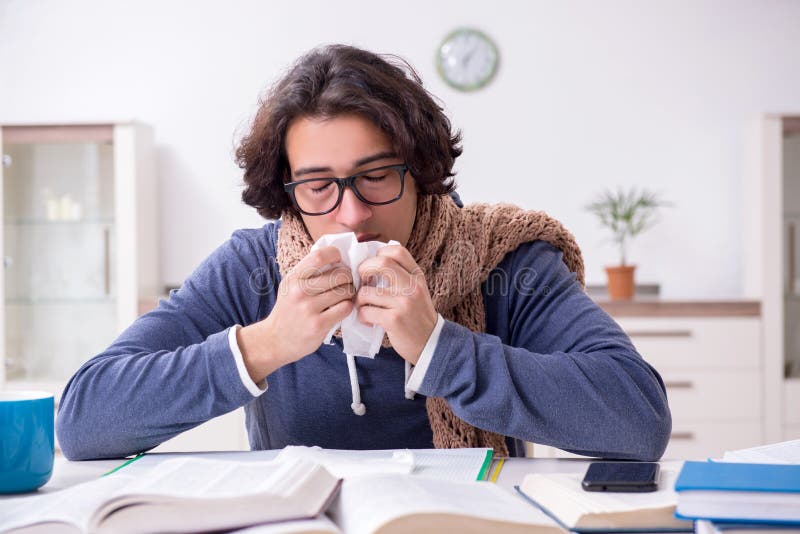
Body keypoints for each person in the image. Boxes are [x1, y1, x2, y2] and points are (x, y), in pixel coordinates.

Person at [56, 44, 671, 461]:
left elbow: (638, 419)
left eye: (376, 175)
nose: (352, 214)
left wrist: (439, 347)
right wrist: (267, 345)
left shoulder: (503, 259)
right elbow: (84, 419)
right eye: (318, 186)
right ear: (288, 194)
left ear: (421, 167)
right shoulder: (251, 269)